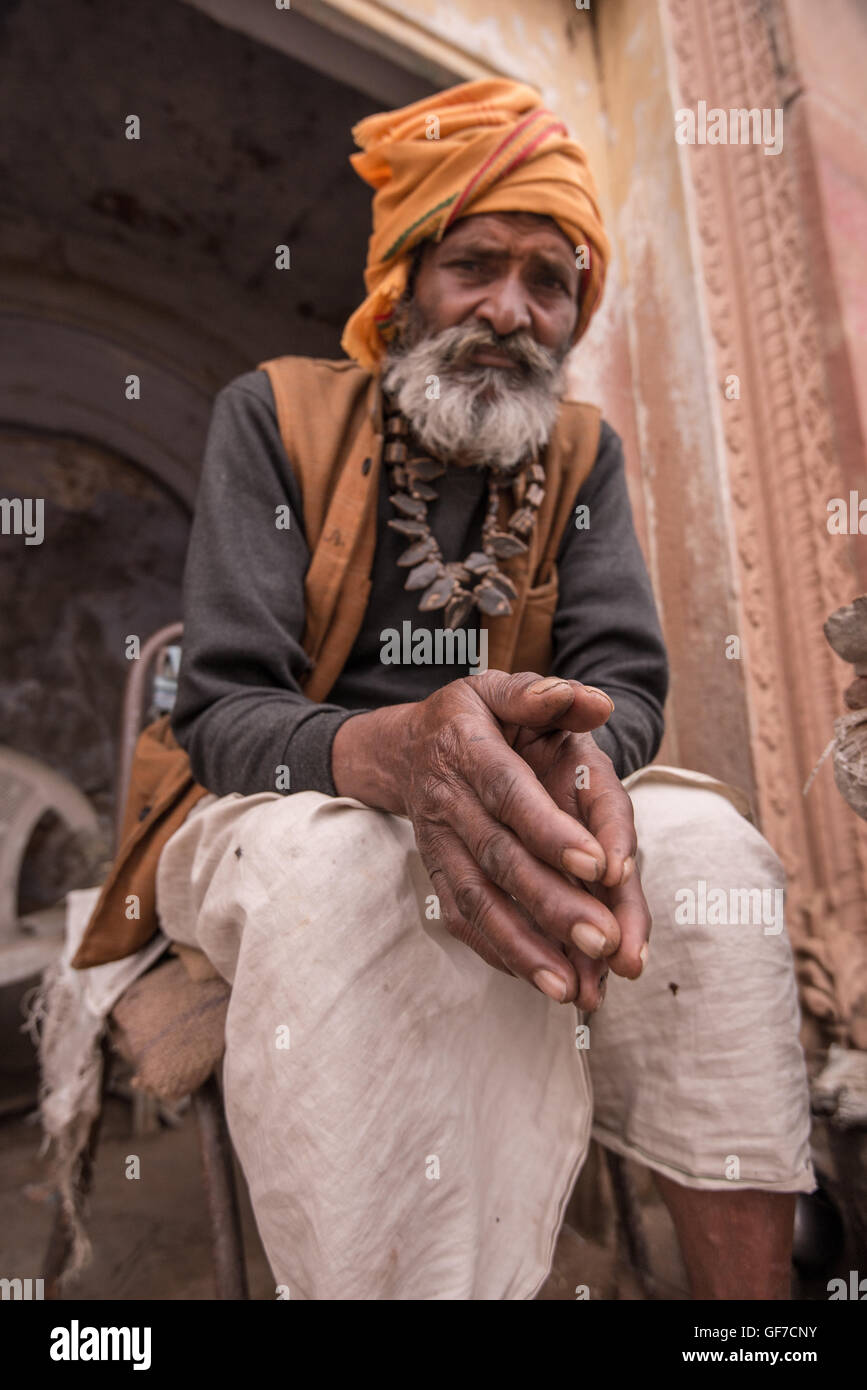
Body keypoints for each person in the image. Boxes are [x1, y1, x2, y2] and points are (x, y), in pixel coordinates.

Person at [154, 78, 814, 1300]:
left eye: (550, 281)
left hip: (532, 785)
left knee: (714, 852)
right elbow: (223, 711)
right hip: (304, 793)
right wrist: (404, 753)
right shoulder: (274, 413)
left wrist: (578, 768)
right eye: (474, 266)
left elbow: (624, 680)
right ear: (403, 281)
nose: (510, 310)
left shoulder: (584, 451)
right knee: (334, 875)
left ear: (575, 310)